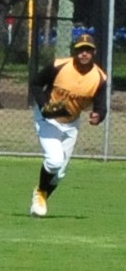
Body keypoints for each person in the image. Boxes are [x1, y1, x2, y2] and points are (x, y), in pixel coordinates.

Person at [28, 32, 107, 217]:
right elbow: (36, 83)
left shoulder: (99, 78)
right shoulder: (59, 65)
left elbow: (101, 104)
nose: (84, 54)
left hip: (71, 123)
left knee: (60, 173)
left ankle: (41, 195)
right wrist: (44, 105)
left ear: (93, 53)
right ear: (75, 51)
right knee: (54, 160)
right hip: (47, 119)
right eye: (80, 50)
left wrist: (99, 115)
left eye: (88, 50)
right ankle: (40, 192)